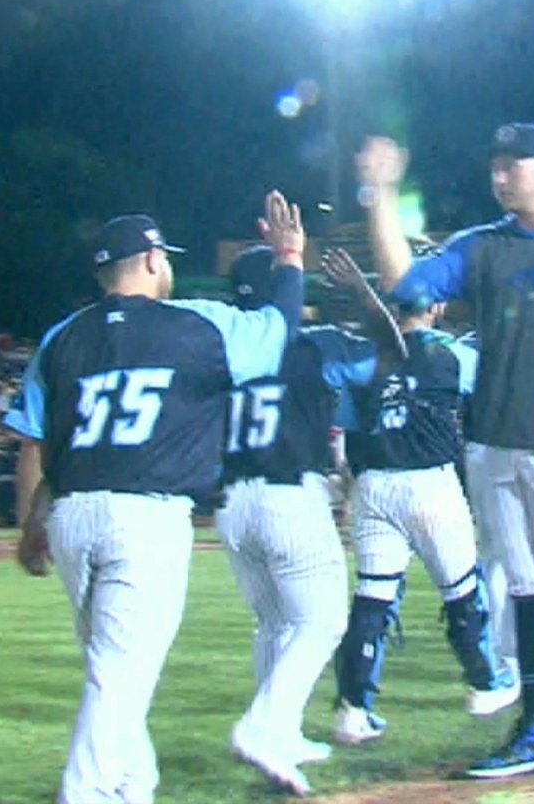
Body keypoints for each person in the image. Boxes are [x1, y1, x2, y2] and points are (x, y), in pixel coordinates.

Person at [357, 124, 534, 779]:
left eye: (511, 165)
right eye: (493, 166)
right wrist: (380, 194)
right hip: (495, 444)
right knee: (526, 587)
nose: (499, 176)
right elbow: (404, 285)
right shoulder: (479, 247)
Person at [7, 199, 306, 804]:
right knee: (119, 672)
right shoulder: (196, 323)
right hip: (144, 518)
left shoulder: (60, 338)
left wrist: (31, 522)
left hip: (72, 517)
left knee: (114, 667)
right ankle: (86, 793)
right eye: (162, 259)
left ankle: (129, 788)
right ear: (150, 259)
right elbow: (279, 331)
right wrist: (291, 258)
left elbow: (36, 444)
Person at [323, 248, 519, 745]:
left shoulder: (364, 357)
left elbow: (344, 435)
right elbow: (493, 395)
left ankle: (353, 707)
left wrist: (350, 490)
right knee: (461, 590)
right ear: (433, 307)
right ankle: (485, 683)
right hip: (429, 483)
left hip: (372, 486)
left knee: (374, 597)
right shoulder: (455, 354)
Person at [213, 241, 382, 797]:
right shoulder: (311, 347)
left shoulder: (223, 352)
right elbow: (383, 355)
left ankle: (280, 733)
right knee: (323, 621)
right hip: (289, 492)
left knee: (275, 624)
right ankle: (263, 726)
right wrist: (362, 300)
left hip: (232, 504)